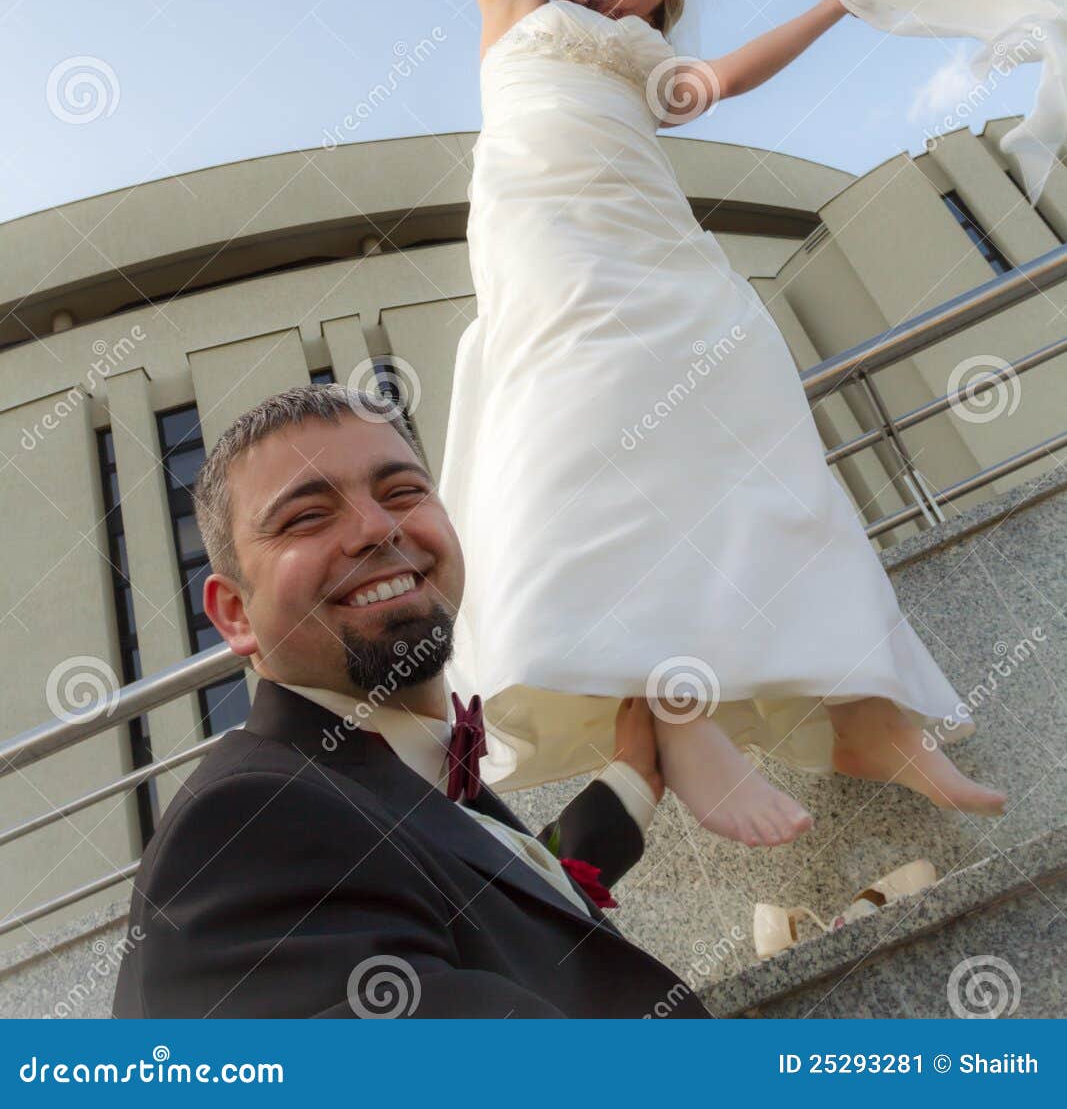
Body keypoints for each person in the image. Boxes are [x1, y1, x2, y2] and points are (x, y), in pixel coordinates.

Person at [421, 0, 1007, 851]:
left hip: (660, 249)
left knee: (742, 437)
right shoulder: (514, 10)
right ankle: (669, 709)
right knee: (586, 431)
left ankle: (873, 720)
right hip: (547, 239)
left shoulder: (653, 72)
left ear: (652, 10)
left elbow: (735, 73)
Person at [111, 385, 709, 1020]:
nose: (378, 527)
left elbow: (487, 895)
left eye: (402, 492)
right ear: (235, 615)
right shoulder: (245, 825)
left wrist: (631, 781)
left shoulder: (377, 788)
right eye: (308, 516)